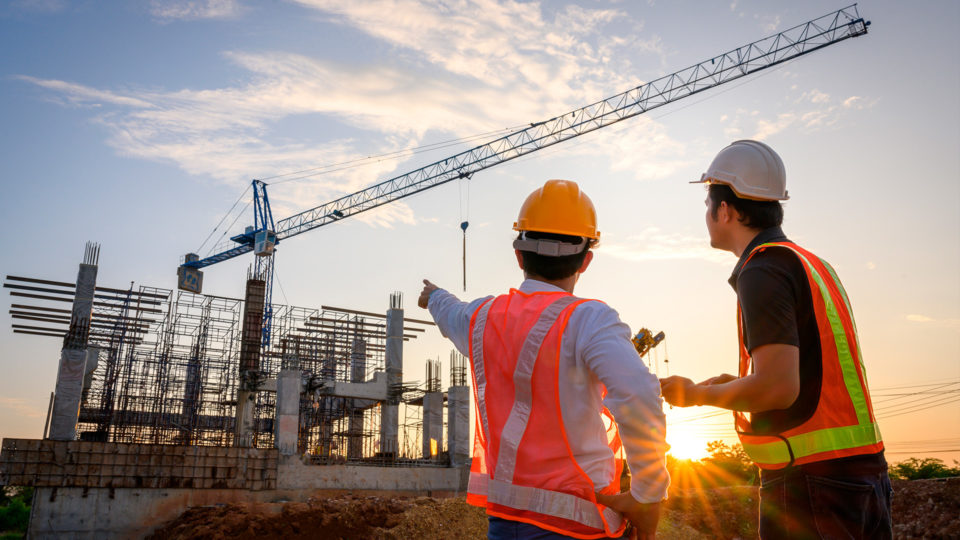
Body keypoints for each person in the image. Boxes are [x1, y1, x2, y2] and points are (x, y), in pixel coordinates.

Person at [660, 140, 892, 539]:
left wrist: (696, 395)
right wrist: (732, 386)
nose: (707, 215)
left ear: (725, 210)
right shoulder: (812, 264)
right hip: (863, 477)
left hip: (812, 484)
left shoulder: (762, 269)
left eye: (707, 205)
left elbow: (778, 388)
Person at [418, 179, 669, 539]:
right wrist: (648, 495)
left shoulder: (483, 318)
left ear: (519, 255)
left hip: (504, 523)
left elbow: (451, 312)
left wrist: (433, 296)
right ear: (586, 260)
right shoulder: (589, 320)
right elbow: (639, 396)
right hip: (575, 525)